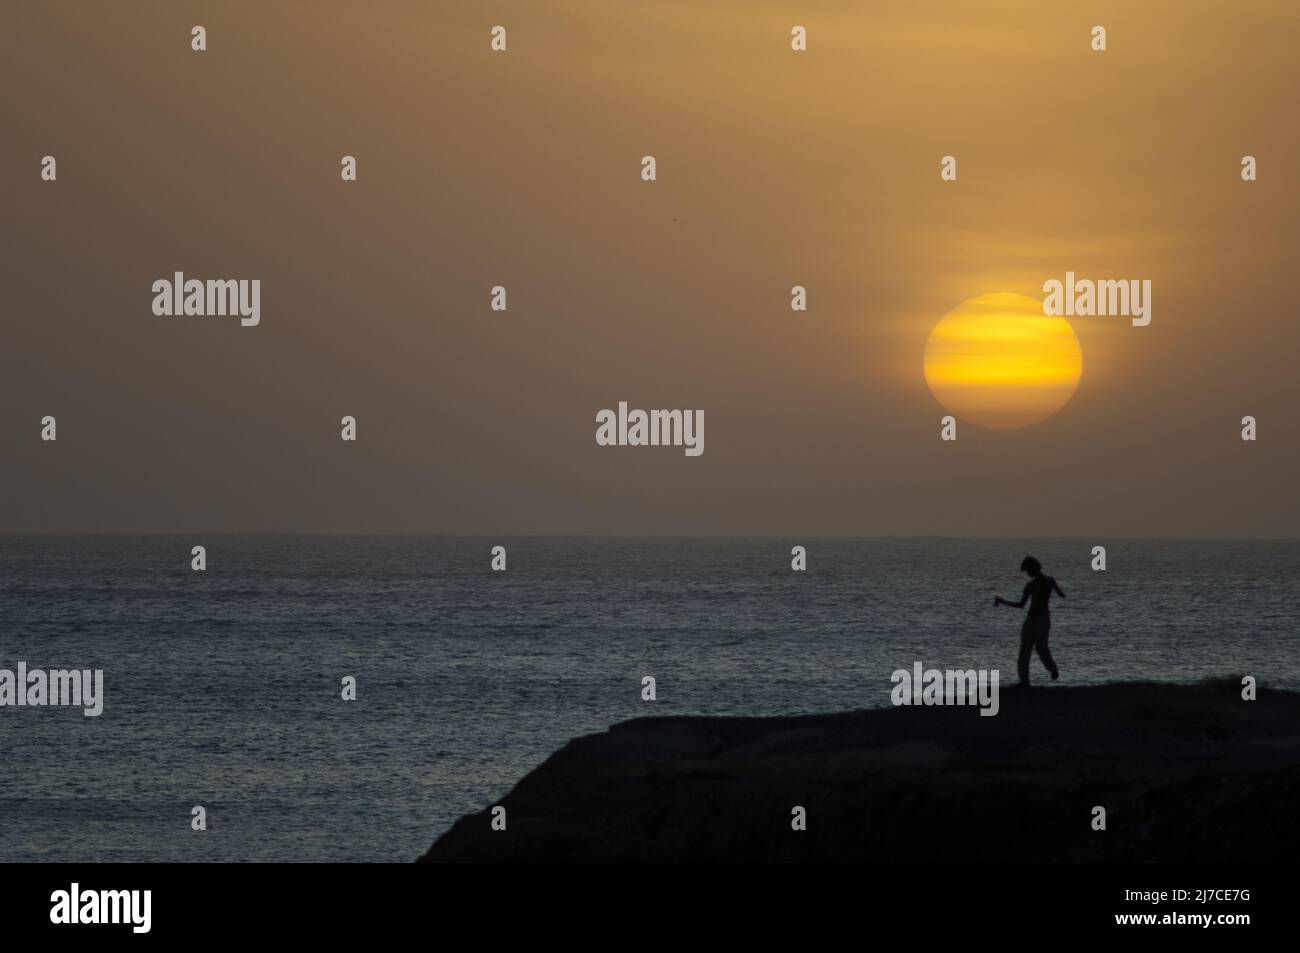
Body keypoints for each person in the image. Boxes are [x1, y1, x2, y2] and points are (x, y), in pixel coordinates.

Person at [994, 556, 1064, 686]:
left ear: (1033, 568)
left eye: (1028, 570)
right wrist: (1003, 601)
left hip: (1042, 618)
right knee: (1024, 650)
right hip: (1031, 619)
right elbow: (1022, 604)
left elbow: (1060, 593)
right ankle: (1024, 681)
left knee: (1041, 647)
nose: (1027, 573)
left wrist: (1057, 590)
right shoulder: (1031, 585)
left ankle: (1052, 669)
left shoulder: (1048, 581)